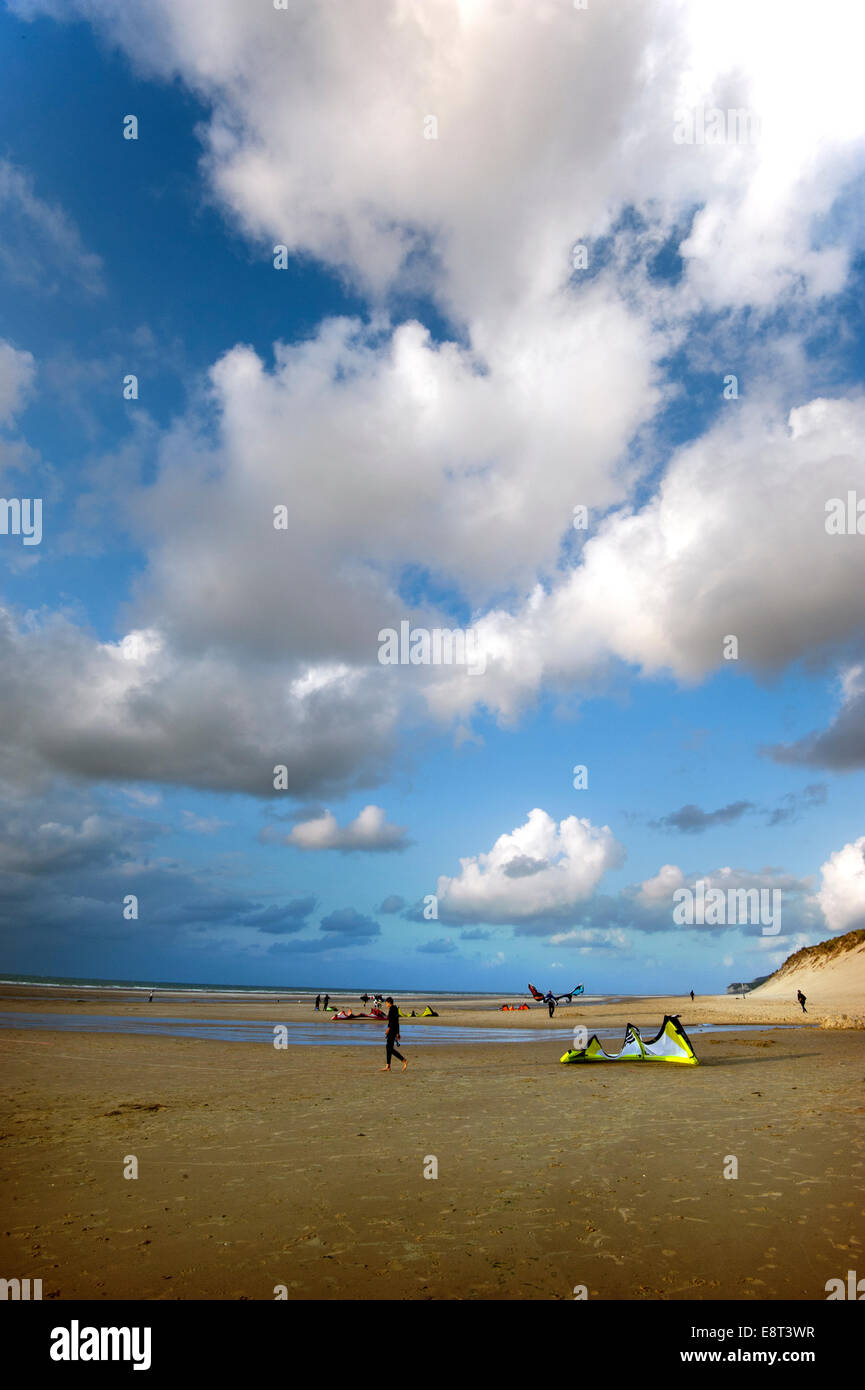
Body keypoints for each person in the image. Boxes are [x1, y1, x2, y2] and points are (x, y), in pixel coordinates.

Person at [380, 996, 407, 1072]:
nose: (386, 1005)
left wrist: (388, 1029)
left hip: (392, 1030)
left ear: (389, 1002)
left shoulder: (392, 1009)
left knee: (389, 1048)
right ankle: (388, 1066)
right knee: (388, 1047)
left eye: (386, 1003)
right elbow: (397, 1022)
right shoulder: (395, 1009)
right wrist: (398, 1033)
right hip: (394, 1030)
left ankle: (403, 1060)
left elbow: (391, 1021)